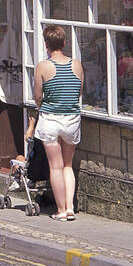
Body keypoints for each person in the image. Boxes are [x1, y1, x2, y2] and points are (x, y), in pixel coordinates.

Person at [31, 24, 84, 221]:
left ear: (46, 44)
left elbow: (37, 96)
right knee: (68, 165)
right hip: (71, 119)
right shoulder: (76, 65)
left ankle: (60, 210)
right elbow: (78, 92)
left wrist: (41, 104)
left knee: (55, 166)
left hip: (51, 118)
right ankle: (70, 208)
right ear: (63, 42)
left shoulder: (43, 66)